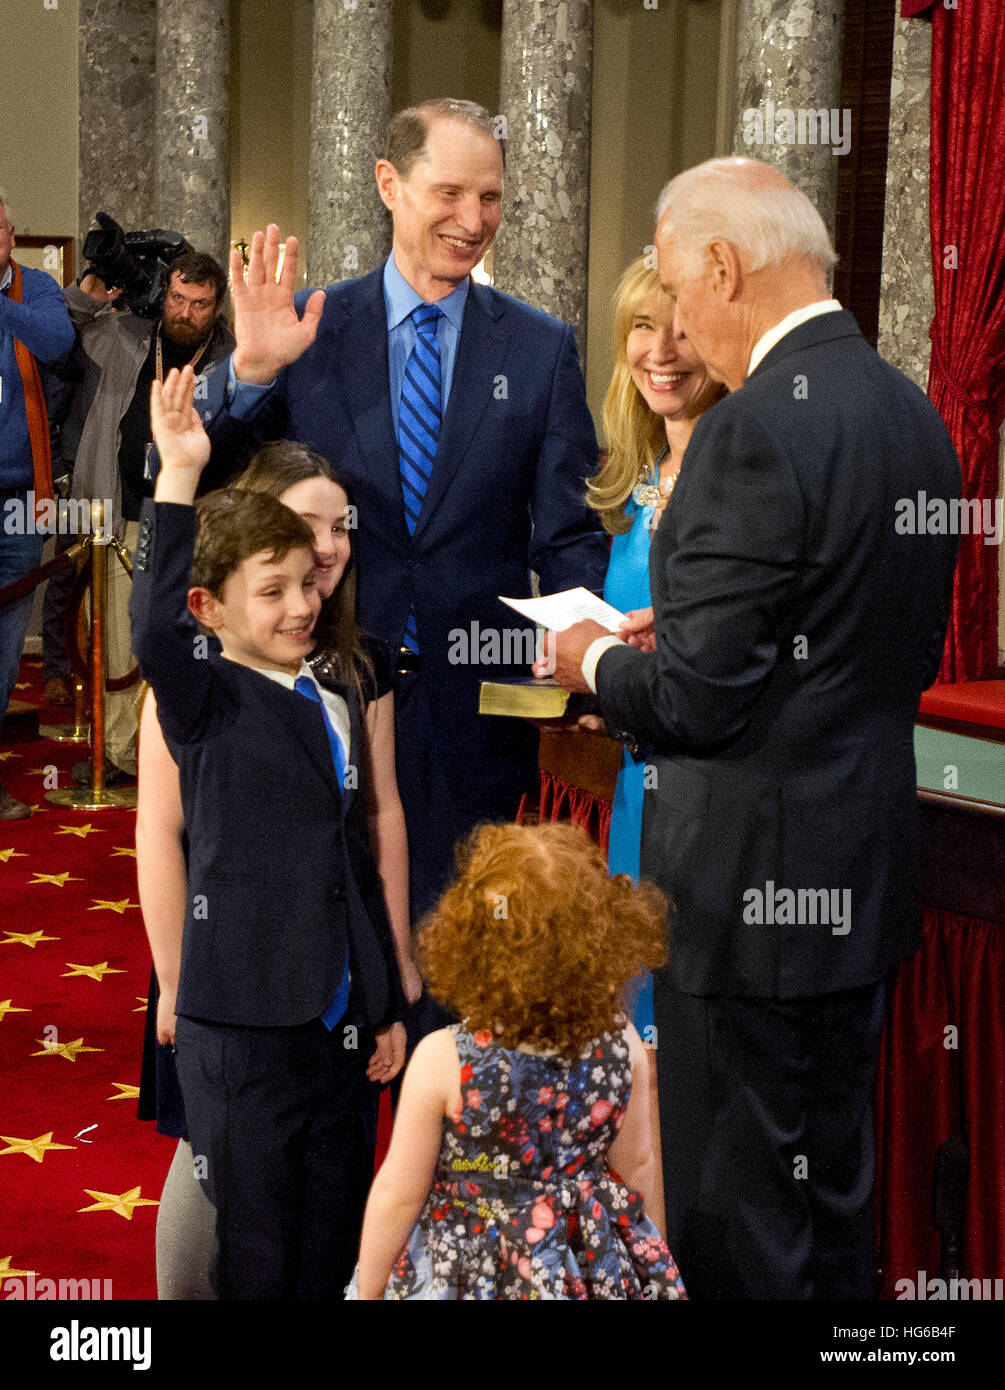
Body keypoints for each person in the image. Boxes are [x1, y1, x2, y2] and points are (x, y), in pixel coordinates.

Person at [543, 157, 961, 1299]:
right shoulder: (911, 412)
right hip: (858, 886)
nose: (674, 322)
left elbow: (694, 706)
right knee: (834, 1205)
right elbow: (871, 655)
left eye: (678, 289)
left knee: (738, 1224)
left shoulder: (751, 432)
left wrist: (592, 660)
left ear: (723, 268)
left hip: (744, 910)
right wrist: (683, 632)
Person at [192, 98, 608, 945]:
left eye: (490, 198)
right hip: (320, 692)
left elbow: (566, 535)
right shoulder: (305, 328)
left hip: (478, 712)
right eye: (450, 193)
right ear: (389, 183)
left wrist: (589, 660)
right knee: (322, 943)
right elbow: (205, 484)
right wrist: (245, 373)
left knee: (461, 954)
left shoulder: (539, 347)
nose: (473, 220)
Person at [130, 364, 407, 1299]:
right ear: (209, 611)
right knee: (254, 1252)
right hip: (240, 1029)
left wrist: (383, 1003)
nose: (301, 606)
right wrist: (177, 475)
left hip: (333, 1032)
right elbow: (156, 626)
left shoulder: (333, 691)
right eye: (272, 591)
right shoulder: (203, 696)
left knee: (328, 1243)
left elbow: (353, 860)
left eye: (308, 585)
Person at [350, 820, 687, 1300]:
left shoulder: (444, 1059)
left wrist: (369, 1291)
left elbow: (398, 1195)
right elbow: (637, 1167)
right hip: (582, 1267)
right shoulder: (624, 1043)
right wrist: (654, 1267)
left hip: (469, 1272)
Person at [583, 255, 725, 1231]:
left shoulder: (735, 476)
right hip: (636, 786)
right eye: (641, 327)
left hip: (713, 801)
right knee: (633, 1040)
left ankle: (678, 1251)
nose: (659, 351)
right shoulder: (636, 487)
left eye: (679, 327)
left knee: (686, 1049)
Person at [51, 249, 233, 783]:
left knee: (195, 637)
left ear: (217, 305)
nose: (186, 311)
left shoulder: (231, 356)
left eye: (200, 303)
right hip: (120, 516)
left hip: (199, 521)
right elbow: (65, 326)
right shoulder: (128, 333)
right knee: (118, 640)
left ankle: (186, 754)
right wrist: (98, 277)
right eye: (177, 297)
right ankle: (120, 754)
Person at [0, 190, 74, 819]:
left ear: (9, 231)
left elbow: (54, 343)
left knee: (4, 640)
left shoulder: (37, 288)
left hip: (21, 493)